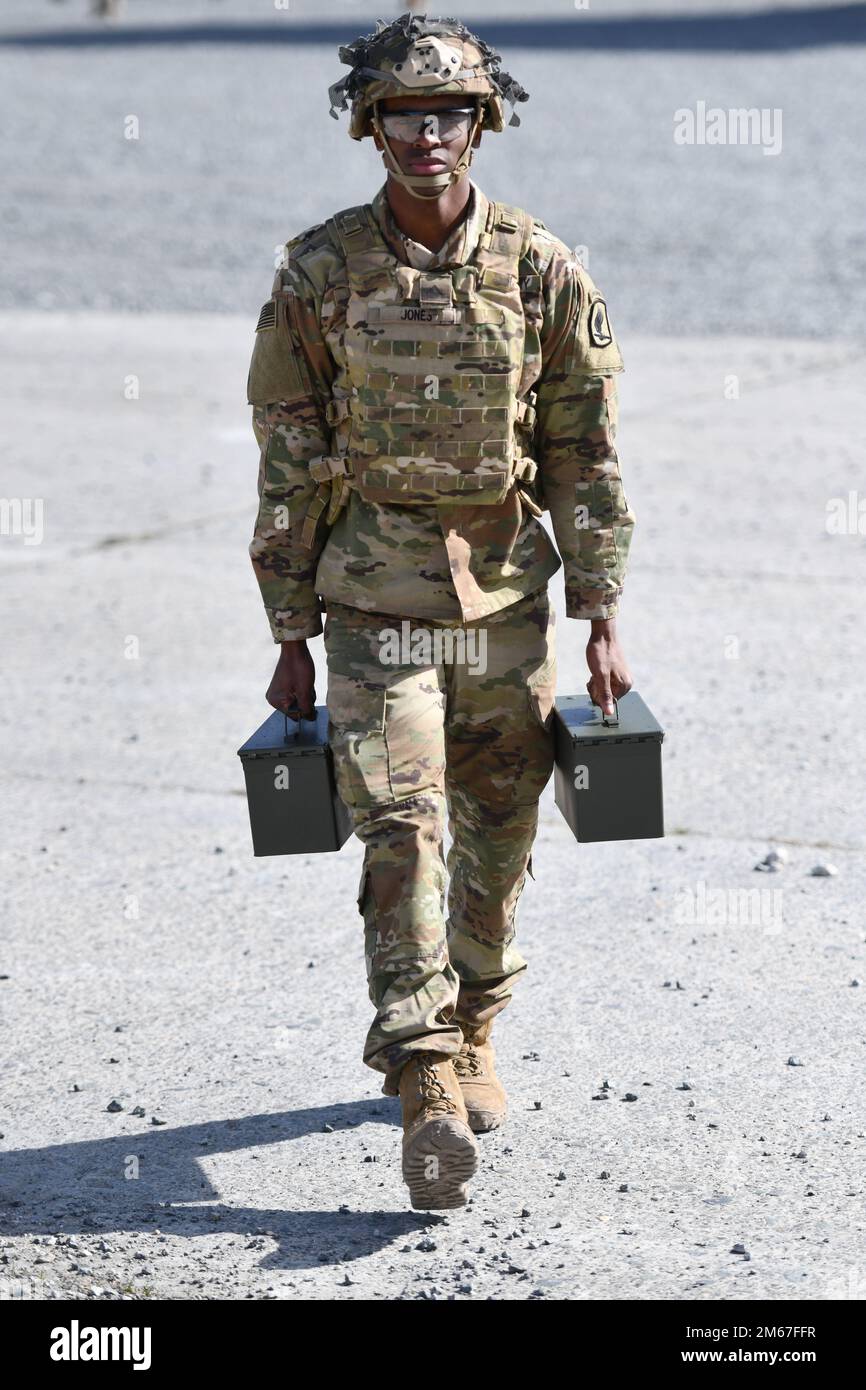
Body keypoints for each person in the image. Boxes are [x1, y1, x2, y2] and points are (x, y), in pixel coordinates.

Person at [246, 12, 635, 1210]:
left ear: (483, 123)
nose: (427, 133)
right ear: (369, 126)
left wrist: (602, 604)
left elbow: (583, 446)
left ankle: (473, 1024)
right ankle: (420, 1071)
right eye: (404, 113)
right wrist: (289, 630)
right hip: (371, 592)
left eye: (450, 112)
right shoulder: (319, 270)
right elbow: (288, 446)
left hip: (505, 597)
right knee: (401, 824)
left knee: (500, 827)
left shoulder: (538, 266)